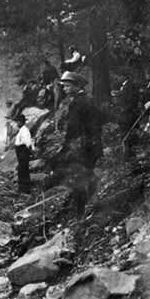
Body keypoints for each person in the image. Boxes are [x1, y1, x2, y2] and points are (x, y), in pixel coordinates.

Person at [52, 71, 103, 215]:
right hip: (91, 146)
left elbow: (73, 129)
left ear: (76, 86)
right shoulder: (88, 100)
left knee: (78, 180)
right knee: (87, 176)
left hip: (82, 147)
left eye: (67, 86)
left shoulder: (77, 103)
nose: (64, 89)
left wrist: (66, 147)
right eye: (64, 86)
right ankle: (88, 209)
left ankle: (80, 214)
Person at [13, 113, 34, 193]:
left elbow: (27, 143)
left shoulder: (24, 131)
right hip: (20, 151)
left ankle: (25, 189)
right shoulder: (21, 130)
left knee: (23, 169)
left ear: (22, 122)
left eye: (18, 122)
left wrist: (25, 150)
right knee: (21, 169)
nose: (17, 123)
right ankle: (22, 188)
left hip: (23, 151)